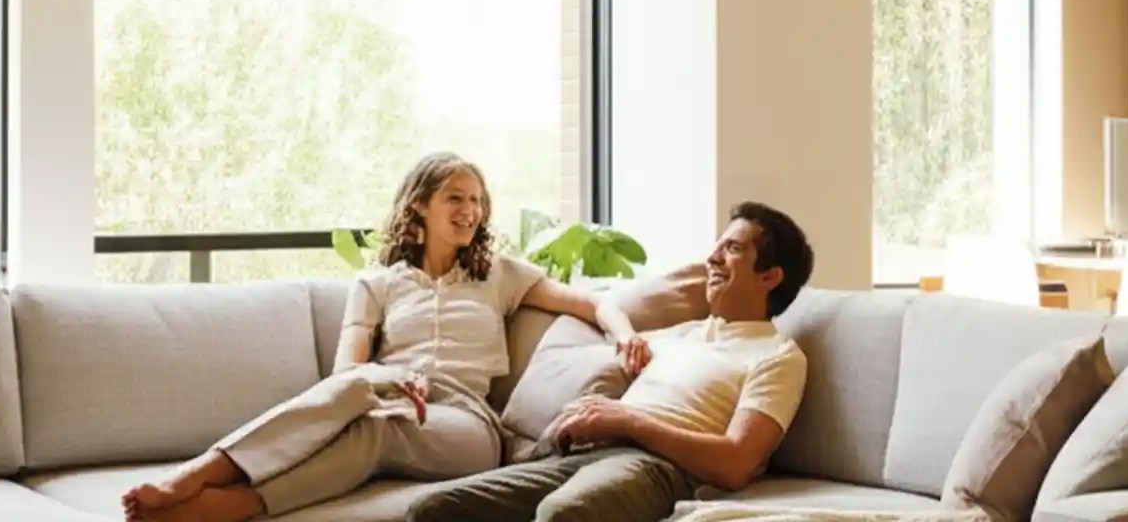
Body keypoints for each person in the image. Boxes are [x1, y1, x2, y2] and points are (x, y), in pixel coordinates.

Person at [121, 152, 647, 522]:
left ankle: (232, 499)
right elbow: (346, 376)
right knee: (359, 407)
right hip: (389, 399)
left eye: (477, 200)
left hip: (466, 425)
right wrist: (391, 377)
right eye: (454, 198)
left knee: (373, 432)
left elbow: (595, 302)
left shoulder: (501, 276)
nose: (470, 211)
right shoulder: (376, 283)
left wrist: (624, 335)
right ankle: (202, 475)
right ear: (419, 204)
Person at [406, 201, 815, 522]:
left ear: (770, 277)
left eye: (732, 248)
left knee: (565, 516)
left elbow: (736, 463)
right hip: (588, 451)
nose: (711, 258)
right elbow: (611, 335)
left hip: (656, 468)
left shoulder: (777, 355)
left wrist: (625, 420)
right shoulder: (683, 335)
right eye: (717, 245)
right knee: (435, 510)